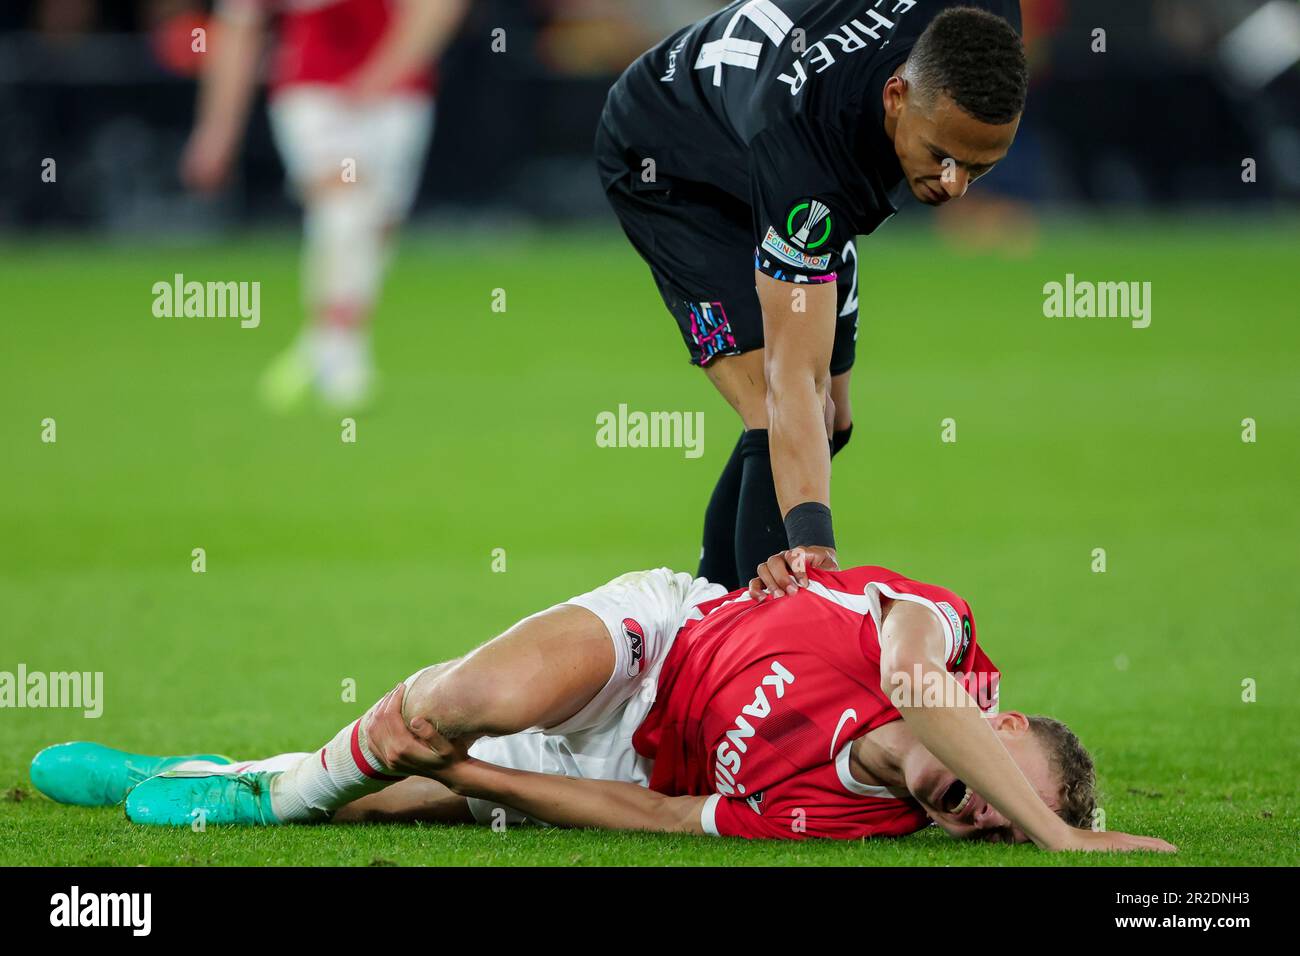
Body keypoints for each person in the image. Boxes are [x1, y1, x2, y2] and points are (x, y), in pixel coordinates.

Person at [32, 552, 1175, 850]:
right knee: (476, 694)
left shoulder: (844, 817)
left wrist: (474, 777)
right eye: (993, 783)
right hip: (657, 637)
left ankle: (197, 778)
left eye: (980, 823)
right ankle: (273, 789)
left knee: (390, 793)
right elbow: (916, 688)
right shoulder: (937, 630)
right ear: (1001, 720)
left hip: (628, 766)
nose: (970, 802)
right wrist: (1058, 837)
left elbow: (663, 820)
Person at [595, 1, 1026, 588]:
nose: (955, 186)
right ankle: (737, 647)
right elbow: (792, 376)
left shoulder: (985, 24)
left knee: (833, 425)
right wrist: (813, 545)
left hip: (777, 153)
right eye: (942, 158)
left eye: (979, 168)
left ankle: (704, 624)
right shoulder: (809, 152)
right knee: (778, 418)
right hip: (673, 166)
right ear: (895, 96)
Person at [181, 0, 467, 410]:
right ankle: (344, 359)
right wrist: (216, 131)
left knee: (375, 228)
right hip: (311, 89)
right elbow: (237, 31)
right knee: (343, 209)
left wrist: (383, 73)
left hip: (399, 89)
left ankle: (319, 344)